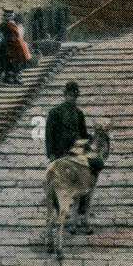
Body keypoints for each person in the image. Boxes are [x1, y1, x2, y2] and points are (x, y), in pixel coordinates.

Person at [45, 80, 92, 232]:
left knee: (87, 178)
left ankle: (81, 215)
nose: (72, 98)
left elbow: (84, 135)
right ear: (64, 95)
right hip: (60, 153)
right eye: (70, 95)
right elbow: (49, 135)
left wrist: (92, 139)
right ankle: (58, 212)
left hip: (76, 153)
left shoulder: (79, 114)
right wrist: (51, 154)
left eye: (75, 96)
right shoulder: (55, 113)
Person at [0, 9, 31, 84]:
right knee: (9, 62)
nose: (8, 18)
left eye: (10, 16)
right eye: (7, 16)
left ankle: (15, 77)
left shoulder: (12, 24)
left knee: (16, 63)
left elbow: (17, 36)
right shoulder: (3, 25)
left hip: (15, 47)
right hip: (8, 47)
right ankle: (10, 77)